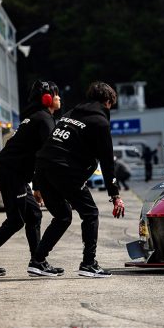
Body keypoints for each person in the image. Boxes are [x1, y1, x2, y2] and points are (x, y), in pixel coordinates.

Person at [30, 82, 125, 278]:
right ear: (107, 102)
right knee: (90, 213)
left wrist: (37, 184)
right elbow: (107, 162)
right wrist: (115, 195)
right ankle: (88, 264)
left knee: (63, 215)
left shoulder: (70, 114)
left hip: (43, 166)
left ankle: (37, 261)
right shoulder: (100, 122)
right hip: (64, 169)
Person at [0, 81, 61, 277]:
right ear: (47, 99)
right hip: (11, 173)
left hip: (14, 173)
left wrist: (36, 186)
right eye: (56, 94)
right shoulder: (44, 119)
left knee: (34, 214)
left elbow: (37, 155)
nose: (59, 98)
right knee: (16, 220)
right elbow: (47, 155)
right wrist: (43, 186)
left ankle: (37, 261)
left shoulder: (35, 118)